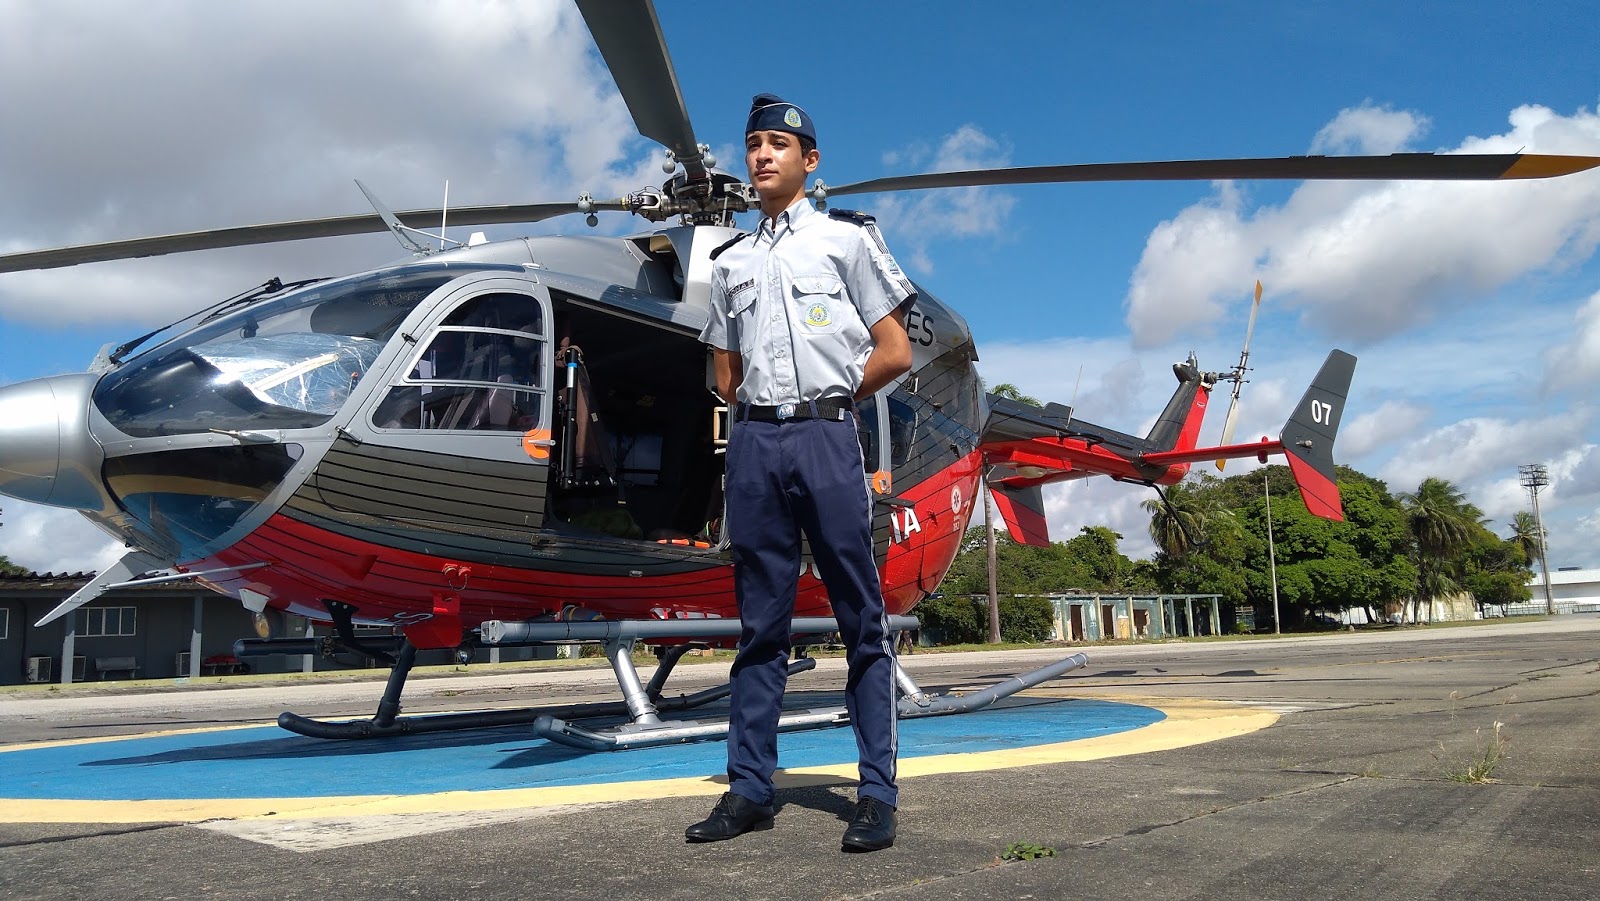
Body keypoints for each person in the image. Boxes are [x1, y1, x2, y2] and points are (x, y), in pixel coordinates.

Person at [687, 94, 915, 852]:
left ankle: (875, 792)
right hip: (755, 445)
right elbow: (724, 370)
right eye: (753, 143)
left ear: (809, 161)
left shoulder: (845, 243)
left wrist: (827, 400)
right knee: (760, 626)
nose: (761, 155)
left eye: (778, 143)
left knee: (861, 616)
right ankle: (750, 787)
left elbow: (894, 350)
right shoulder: (730, 264)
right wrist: (764, 409)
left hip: (824, 437)